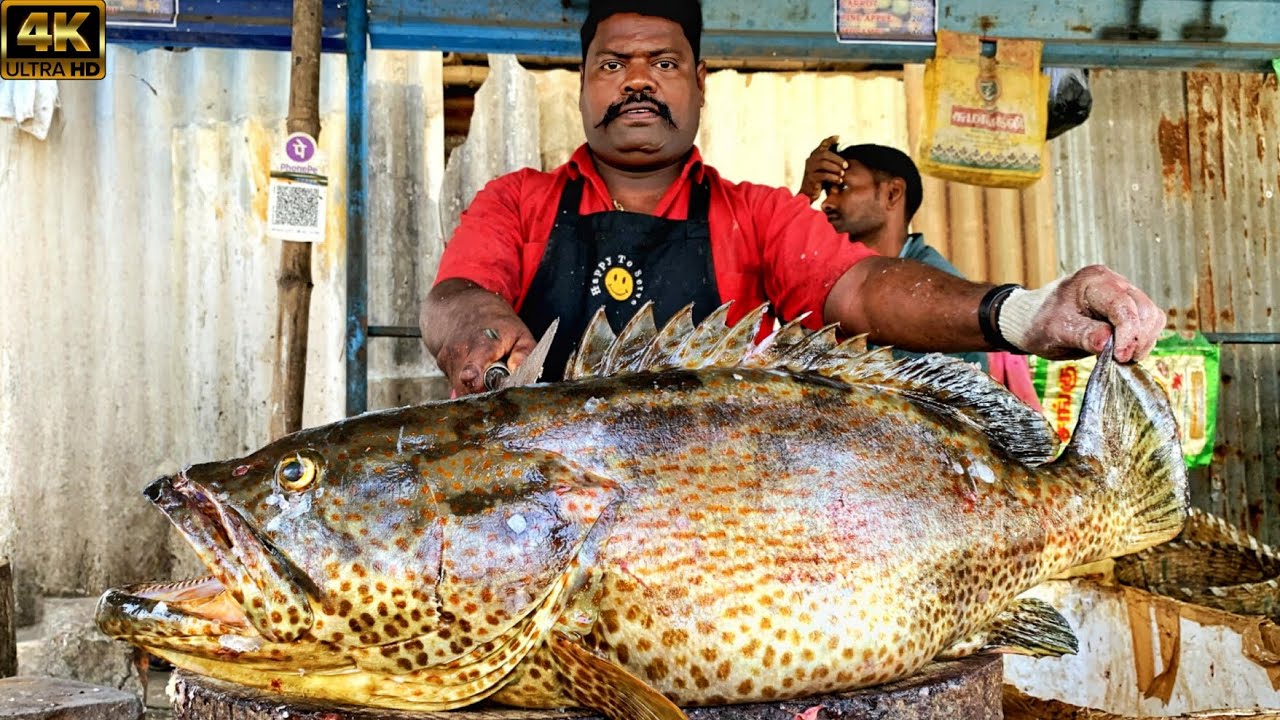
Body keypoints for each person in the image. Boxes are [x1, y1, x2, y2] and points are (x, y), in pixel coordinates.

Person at [420, 0, 1165, 397]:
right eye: (613, 64)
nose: (638, 80)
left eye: (664, 62)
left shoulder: (758, 215)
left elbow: (865, 291)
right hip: (536, 538)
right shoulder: (518, 200)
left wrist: (1023, 313)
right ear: (584, 83)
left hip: (722, 540)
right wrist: (478, 334)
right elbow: (455, 295)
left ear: (699, 82)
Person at [799, 138, 1043, 409]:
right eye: (825, 193)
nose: (826, 204)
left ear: (892, 194)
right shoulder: (829, 274)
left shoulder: (933, 290)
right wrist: (800, 200)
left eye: (841, 188)